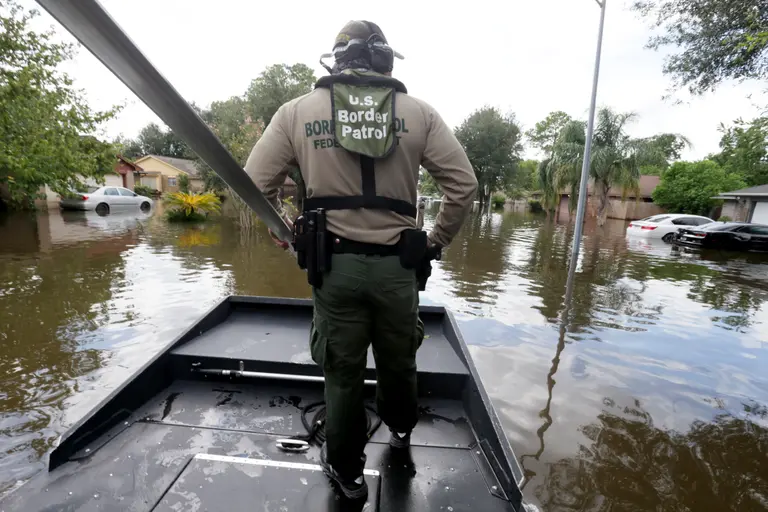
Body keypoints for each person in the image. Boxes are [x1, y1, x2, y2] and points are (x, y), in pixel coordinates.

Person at [244, 20, 478, 500]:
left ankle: (348, 476)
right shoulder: (420, 114)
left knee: (343, 372)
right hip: (399, 269)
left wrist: (284, 229)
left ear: (337, 59)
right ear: (385, 60)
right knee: (398, 357)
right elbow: (464, 186)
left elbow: (254, 182)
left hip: (335, 270)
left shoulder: (296, 113)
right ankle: (400, 430)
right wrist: (434, 241)